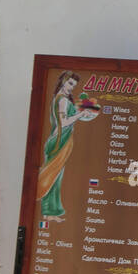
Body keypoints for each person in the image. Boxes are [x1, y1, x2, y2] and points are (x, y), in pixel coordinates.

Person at [37, 71, 92, 222]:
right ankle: (47, 211)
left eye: (74, 85)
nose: (71, 87)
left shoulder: (65, 99)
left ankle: (51, 213)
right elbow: (64, 122)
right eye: (69, 83)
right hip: (58, 141)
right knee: (51, 176)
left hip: (63, 140)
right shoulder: (61, 100)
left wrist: (82, 113)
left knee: (56, 177)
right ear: (63, 81)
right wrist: (80, 115)